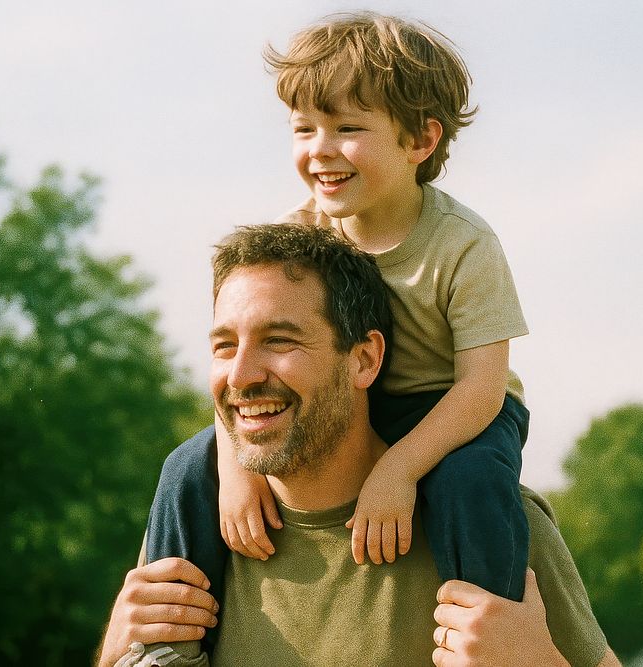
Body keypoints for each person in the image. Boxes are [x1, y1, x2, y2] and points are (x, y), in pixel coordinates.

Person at [169, 16, 533, 653]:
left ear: (421, 139)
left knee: (468, 482)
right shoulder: (299, 237)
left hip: (454, 411)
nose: (319, 149)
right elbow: (239, 356)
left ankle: (482, 638)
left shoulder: (463, 243)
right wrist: (235, 474)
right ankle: (170, 639)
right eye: (304, 129)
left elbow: (483, 389)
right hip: (347, 400)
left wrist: (397, 470)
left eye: (348, 128)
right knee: (187, 465)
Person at [97, 224, 618, 666]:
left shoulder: (490, 516)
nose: (242, 375)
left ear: (365, 359)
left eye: (280, 341)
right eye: (224, 346)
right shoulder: (194, 521)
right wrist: (116, 648)